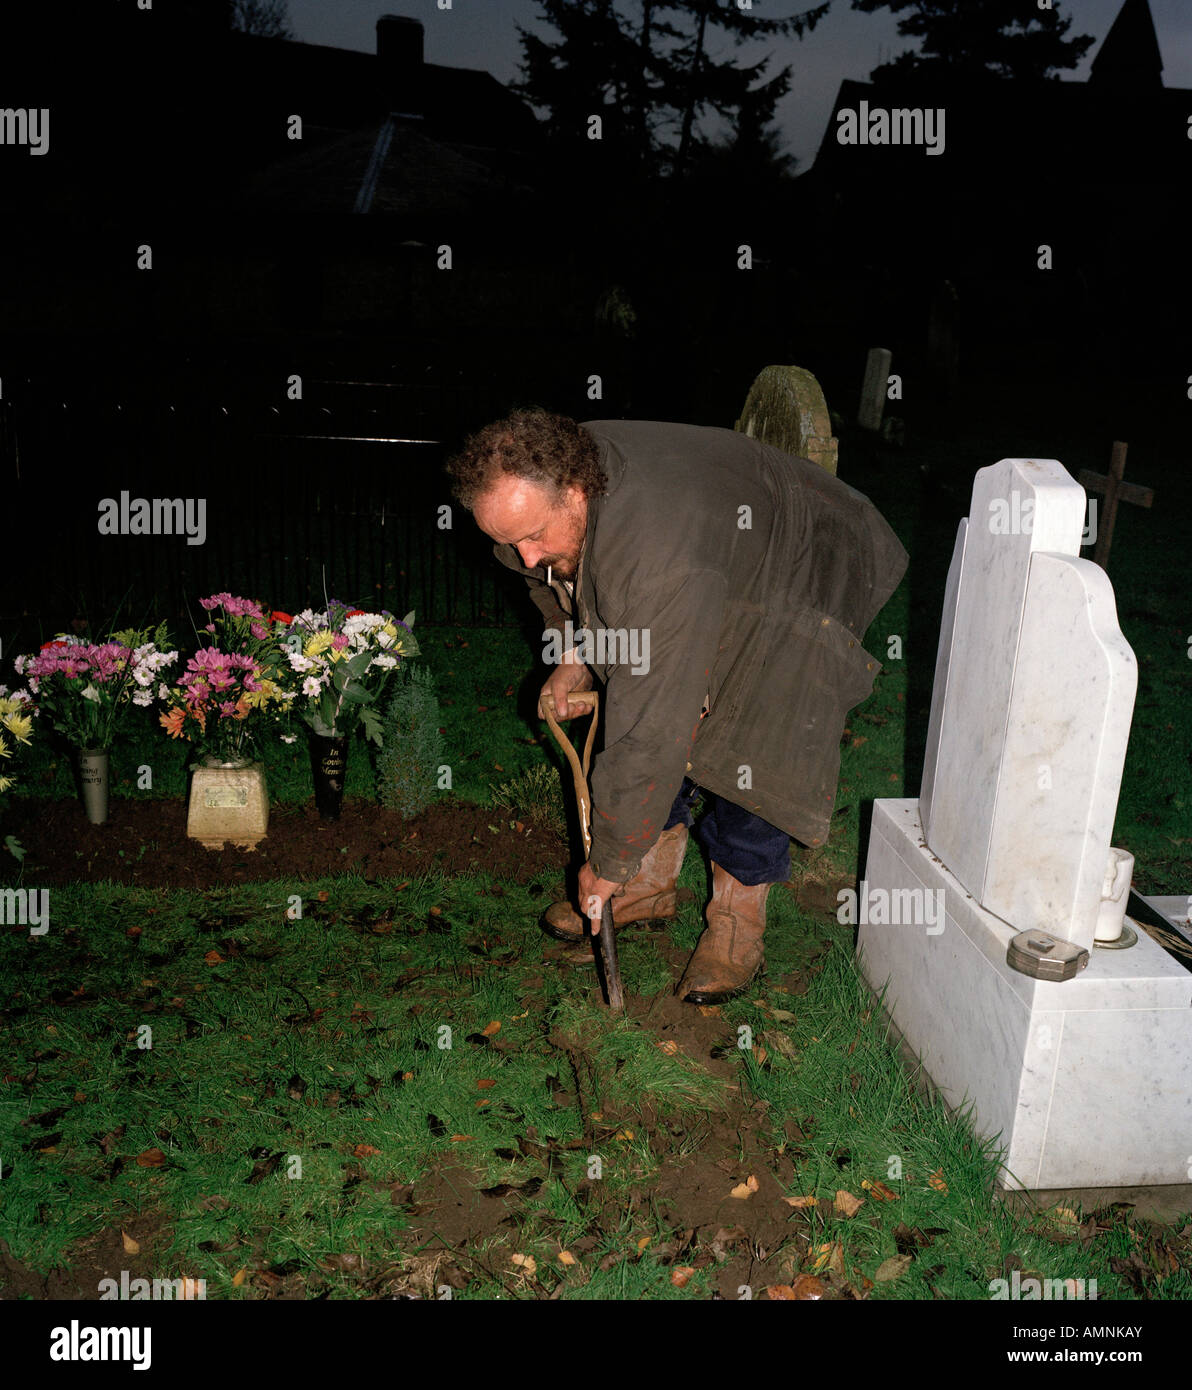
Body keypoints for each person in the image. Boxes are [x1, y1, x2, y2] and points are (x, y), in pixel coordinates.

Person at [446, 410, 908, 1003]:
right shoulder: (540, 491)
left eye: (533, 536)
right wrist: (574, 652)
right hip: (718, 544)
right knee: (645, 692)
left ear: (577, 492)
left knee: (755, 735)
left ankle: (736, 925)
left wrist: (604, 861)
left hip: (810, 557)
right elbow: (554, 584)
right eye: (507, 541)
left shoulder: (656, 555)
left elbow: (652, 730)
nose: (526, 555)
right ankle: (647, 885)